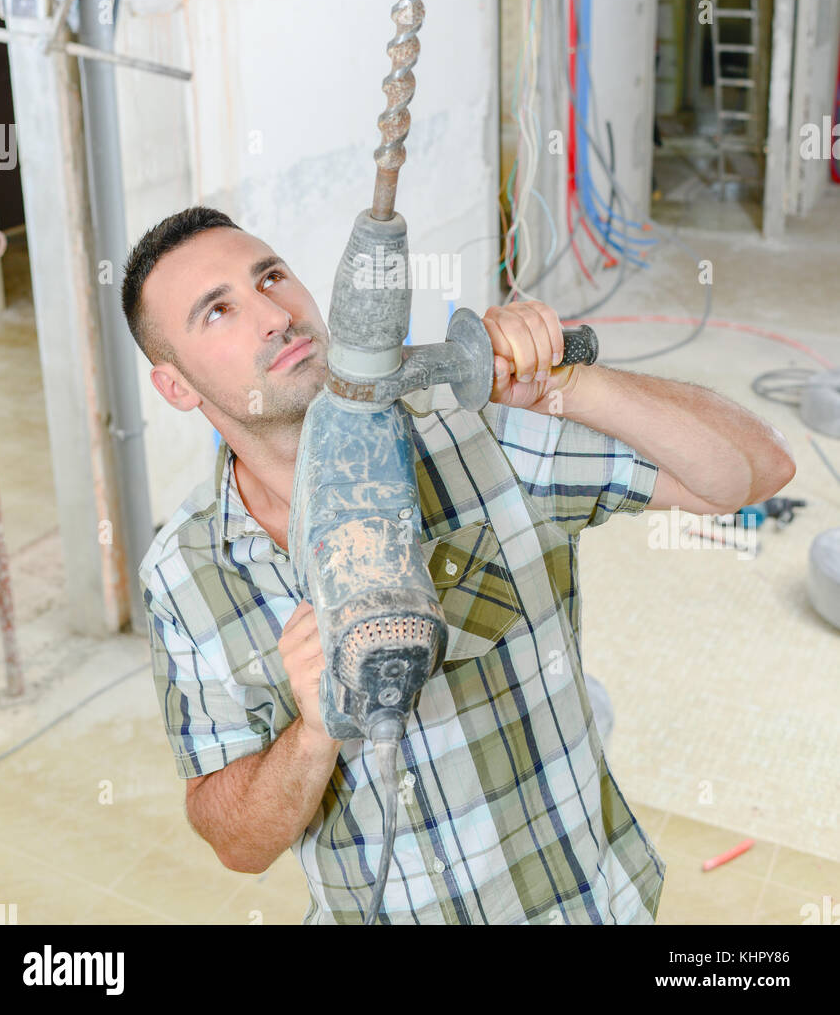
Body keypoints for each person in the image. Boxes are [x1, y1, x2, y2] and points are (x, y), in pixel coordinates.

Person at [121, 205, 795, 925]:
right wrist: (313, 733)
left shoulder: (474, 432)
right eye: (217, 312)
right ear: (176, 387)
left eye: (272, 277)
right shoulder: (185, 572)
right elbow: (237, 845)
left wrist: (567, 385)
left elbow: (752, 474)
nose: (271, 316)